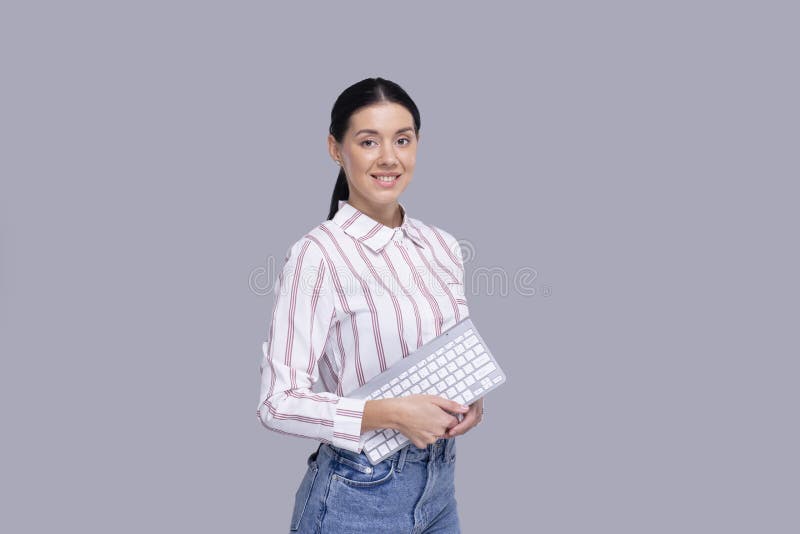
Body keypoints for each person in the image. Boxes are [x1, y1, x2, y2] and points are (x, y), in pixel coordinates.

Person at [257, 77, 484, 533]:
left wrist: (469, 399)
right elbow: (276, 404)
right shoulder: (318, 255)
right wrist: (392, 413)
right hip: (358, 495)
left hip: (438, 487)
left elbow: (450, 352)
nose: (389, 158)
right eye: (368, 141)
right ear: (336, 149)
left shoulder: (441, 245)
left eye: (403, 139)